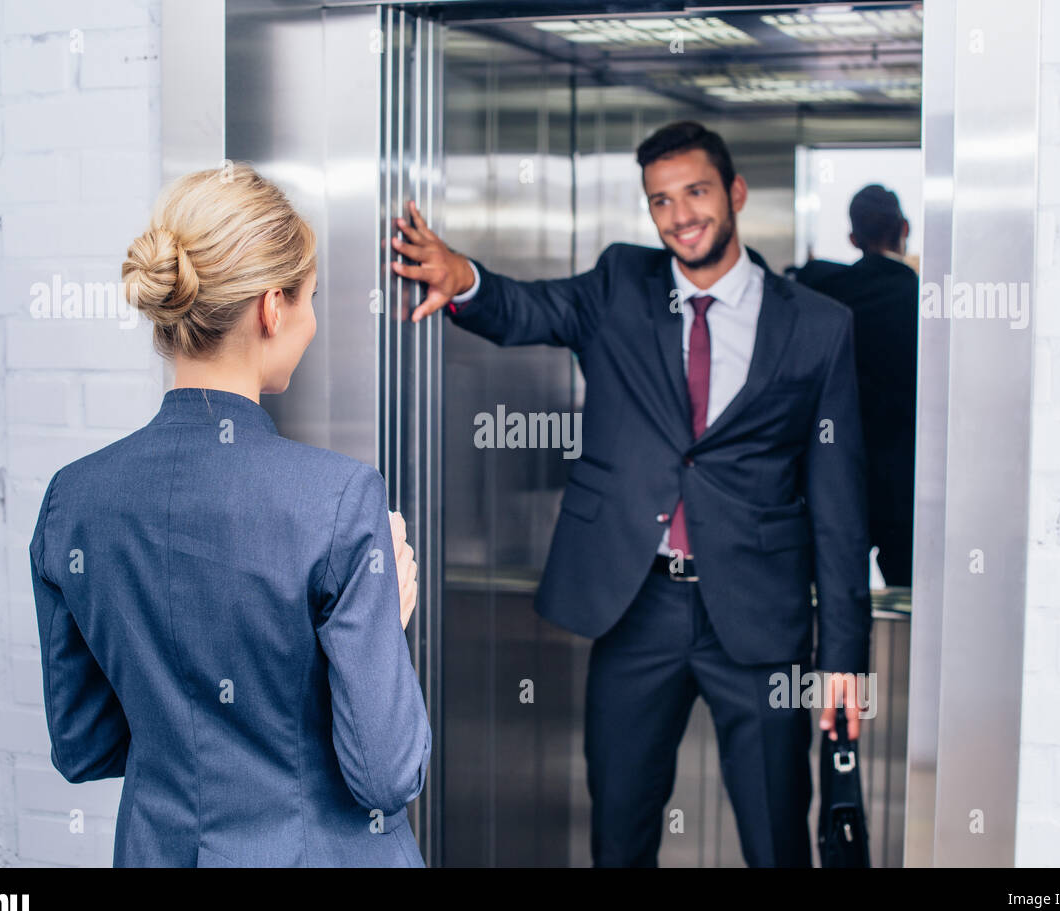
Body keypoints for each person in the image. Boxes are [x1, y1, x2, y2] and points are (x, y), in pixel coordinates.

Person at [390, 120, 870, 867]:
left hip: (761, 614)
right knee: (620, 825)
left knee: (778, 833)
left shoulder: (818, 326)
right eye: (661, 200)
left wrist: (844, 654)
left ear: (735, 192)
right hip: (637, 604)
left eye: (697, 192)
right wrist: (464, 278)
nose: (681, 215)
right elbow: (526, 309)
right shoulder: (619, 285)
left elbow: (840, 501)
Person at [28, 164, 431, 867]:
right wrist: (380, 630)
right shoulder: (339, 498)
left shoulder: (75, 498)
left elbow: (84, 743)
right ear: (271, 307)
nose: (308, 322)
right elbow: (387, 773)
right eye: (308, 299)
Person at [797, 184, 919, 587]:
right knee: (910, 603)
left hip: (834, 481)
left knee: (827, 600)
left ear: (853, 239)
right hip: (905, 485)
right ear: (905, 228)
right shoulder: (922, 298)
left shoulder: (826, 290)